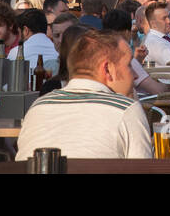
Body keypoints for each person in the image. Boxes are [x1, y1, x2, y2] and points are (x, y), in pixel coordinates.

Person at [15, 29, 153, 160]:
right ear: (107, 69)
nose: (135, 75)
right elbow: (143, 168)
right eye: (129, 65)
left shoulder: (37, 107)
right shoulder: (127, 111)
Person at [7, 8, 59, 74]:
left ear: (26, 30)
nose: (19, 36)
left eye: (19, 32)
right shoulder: (58, 52)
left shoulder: (15, 53)